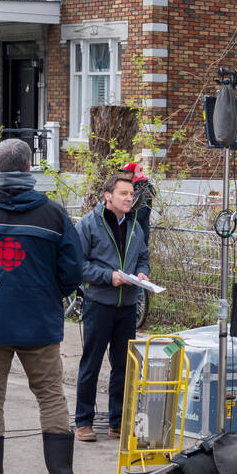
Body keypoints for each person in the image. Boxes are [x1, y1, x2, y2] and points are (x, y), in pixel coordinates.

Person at [0, 137, 100, 474]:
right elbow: (71, 269)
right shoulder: (53, 213)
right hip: (39, 321)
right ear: (30, 168)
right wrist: (50, 294)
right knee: (50, 396)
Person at [73, 172, 151, 443]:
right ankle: (83, 422)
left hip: (128, 305)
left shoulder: (135, 226)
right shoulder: (88, 224)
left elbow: (143, 257)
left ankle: (117, 422)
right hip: (99, 304)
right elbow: (78, 265)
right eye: (124, 194)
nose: (130, 198)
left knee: (123, 366)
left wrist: (141, 274)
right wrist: (109, 277)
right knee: (91, 364)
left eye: (131, 194)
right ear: (108, 196)